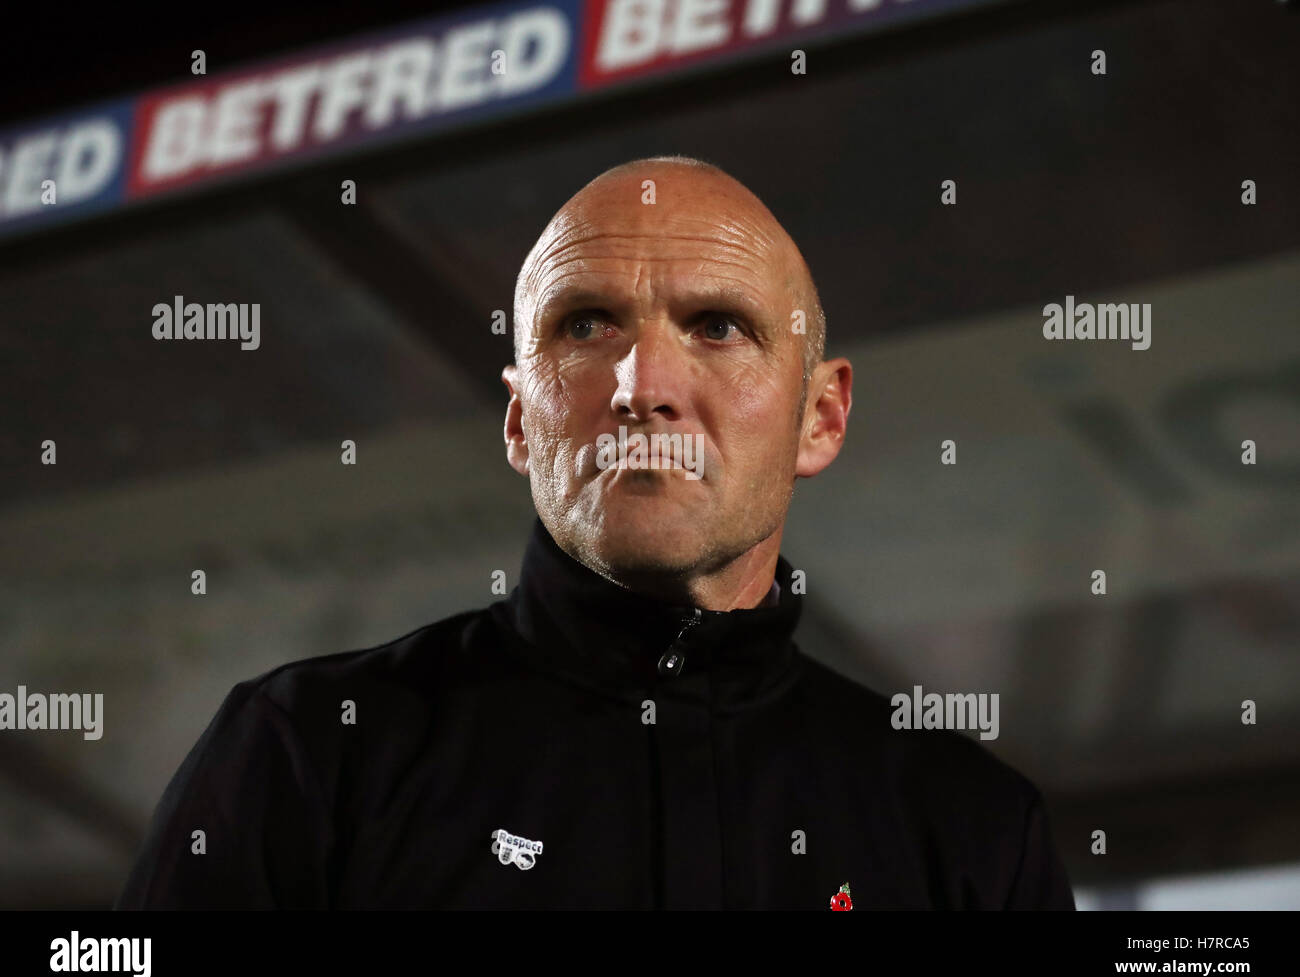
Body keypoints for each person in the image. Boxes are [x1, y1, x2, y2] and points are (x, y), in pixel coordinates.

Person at [115, 155, 1075, 909]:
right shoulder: (306, 755)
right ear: (519, 421)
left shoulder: (971, 828)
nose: (641, 386)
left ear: (819, 418)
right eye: (585, 327)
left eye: (716, 325)